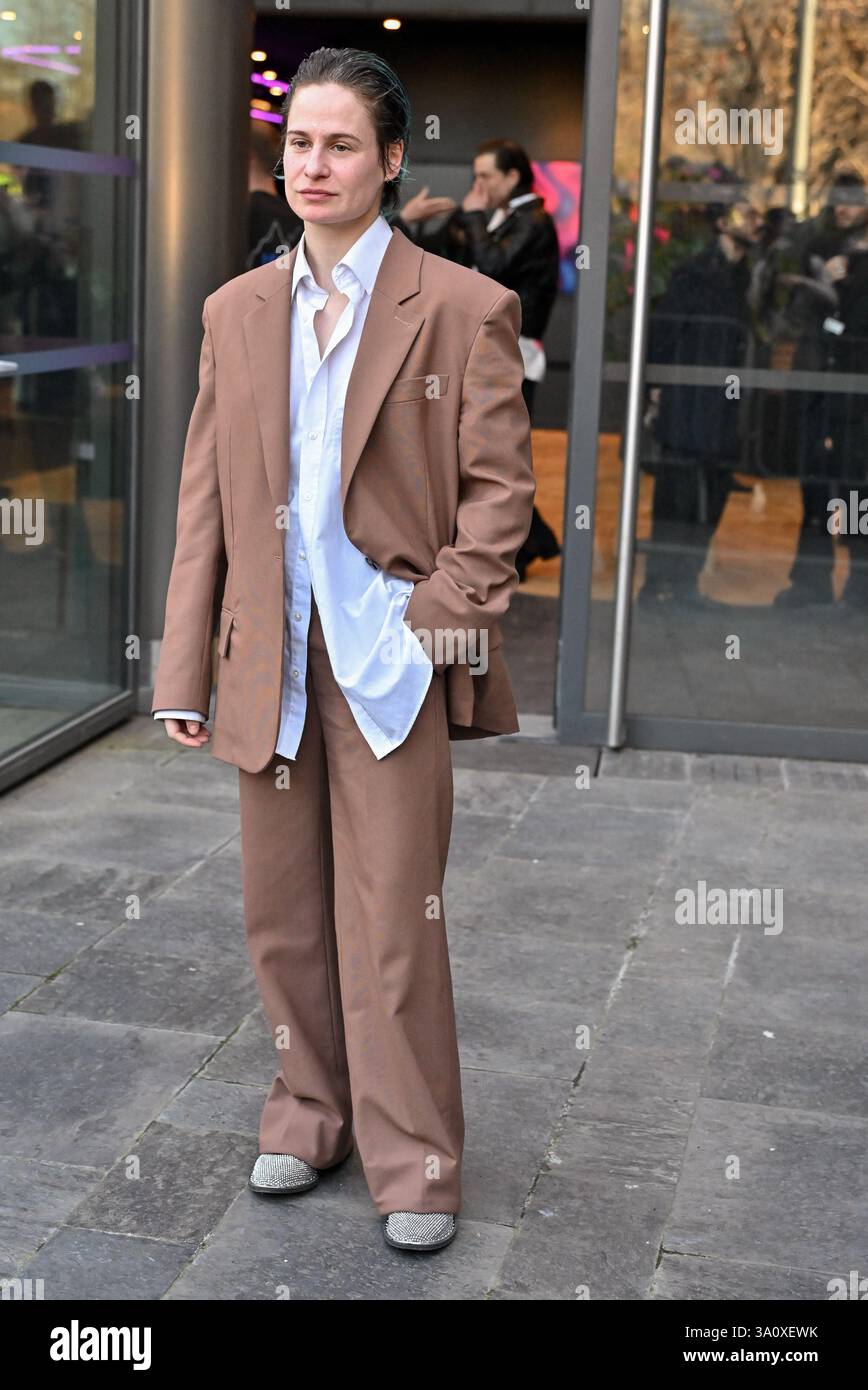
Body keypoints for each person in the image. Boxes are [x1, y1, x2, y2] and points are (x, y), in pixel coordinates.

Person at [151, 47, 535, 1254]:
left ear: (386, 163)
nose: (312, 167)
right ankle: (307, 1110)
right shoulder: (237, 309)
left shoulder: (463, 308)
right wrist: (180, 673)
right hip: (270, 657)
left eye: (340, 146)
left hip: (384, 663)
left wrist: (431, 635)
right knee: (281, 913)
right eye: (297, 145)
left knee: (393, 922)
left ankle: (416, 1159)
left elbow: (498, 506)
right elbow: (206, 501)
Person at [396, 139, 561, 580]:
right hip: (492, 350)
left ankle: (528, 543)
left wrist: (470, 216)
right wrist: (411, 222)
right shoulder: (500, 218)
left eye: (487, 176)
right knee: (480, 452)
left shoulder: (536, 221)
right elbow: (449, 261)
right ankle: (532, 541)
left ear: (513, 177)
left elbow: (492, 267)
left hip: (516, 353)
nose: (479, 186)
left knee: (494, 455)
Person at [640, 189, 764, 606]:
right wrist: (656, 391)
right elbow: (664, 332)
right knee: (679, 493)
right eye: (748, 213)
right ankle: (660, 584)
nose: (758, 221)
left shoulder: (747, 276)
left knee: (712, 493)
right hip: (690, 403)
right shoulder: (695, 272)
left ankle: (684, 583)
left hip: (724, 408)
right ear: (723, 221)